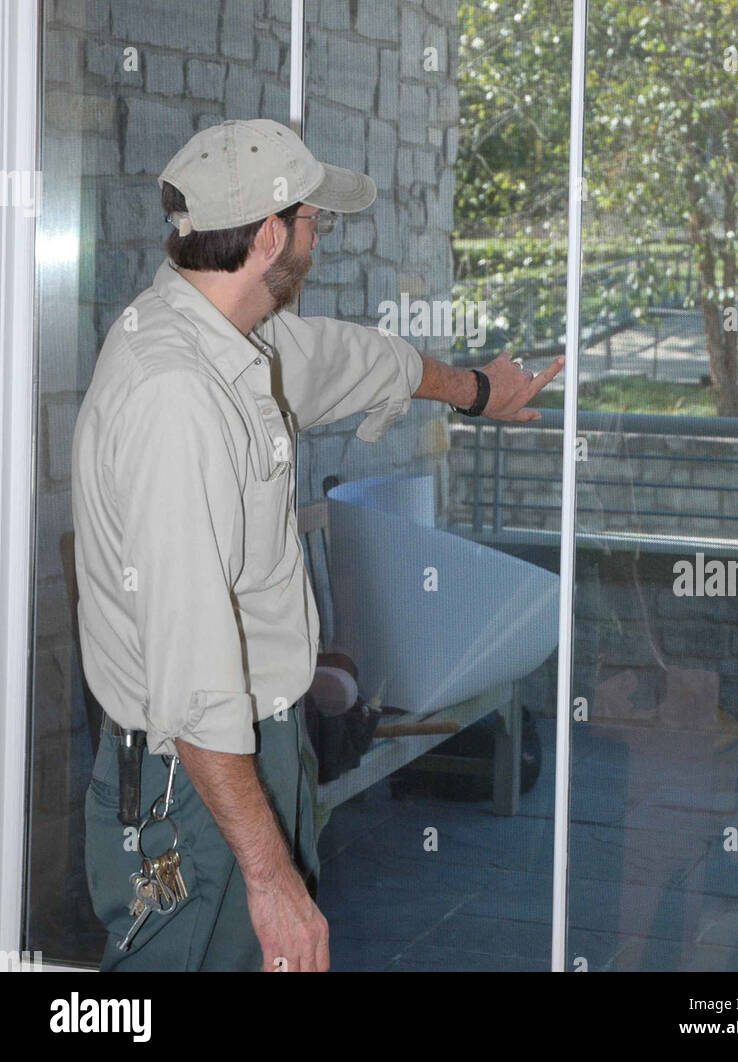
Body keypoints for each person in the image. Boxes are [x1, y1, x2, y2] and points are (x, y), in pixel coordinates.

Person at [71, 117, 564, 973]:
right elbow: (191, 682)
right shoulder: (176, 398)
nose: (317, 240)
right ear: (269, 237)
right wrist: (272, 881)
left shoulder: (231, 335)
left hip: (245, 752)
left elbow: (348, 359)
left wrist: (473, 389)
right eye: (312, 223)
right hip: (193, 782)